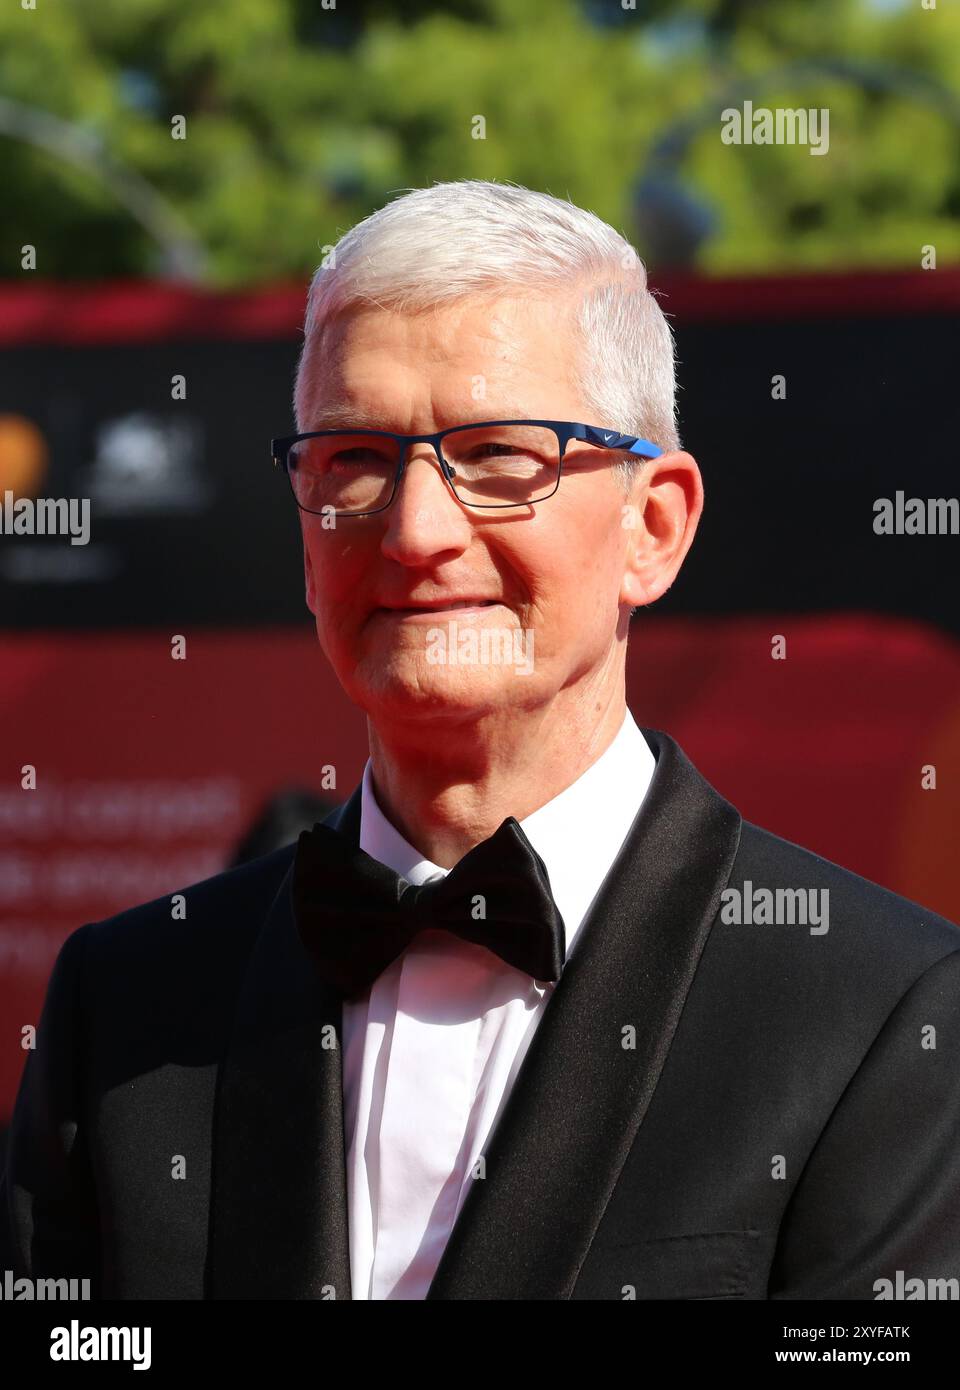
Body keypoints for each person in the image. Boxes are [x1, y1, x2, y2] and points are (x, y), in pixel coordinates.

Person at [3, 180, 959, 1301]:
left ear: (653, 527)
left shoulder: (887, 1013)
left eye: (504, 454)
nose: (415, 530)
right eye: (353, 458)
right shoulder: (127, 997)